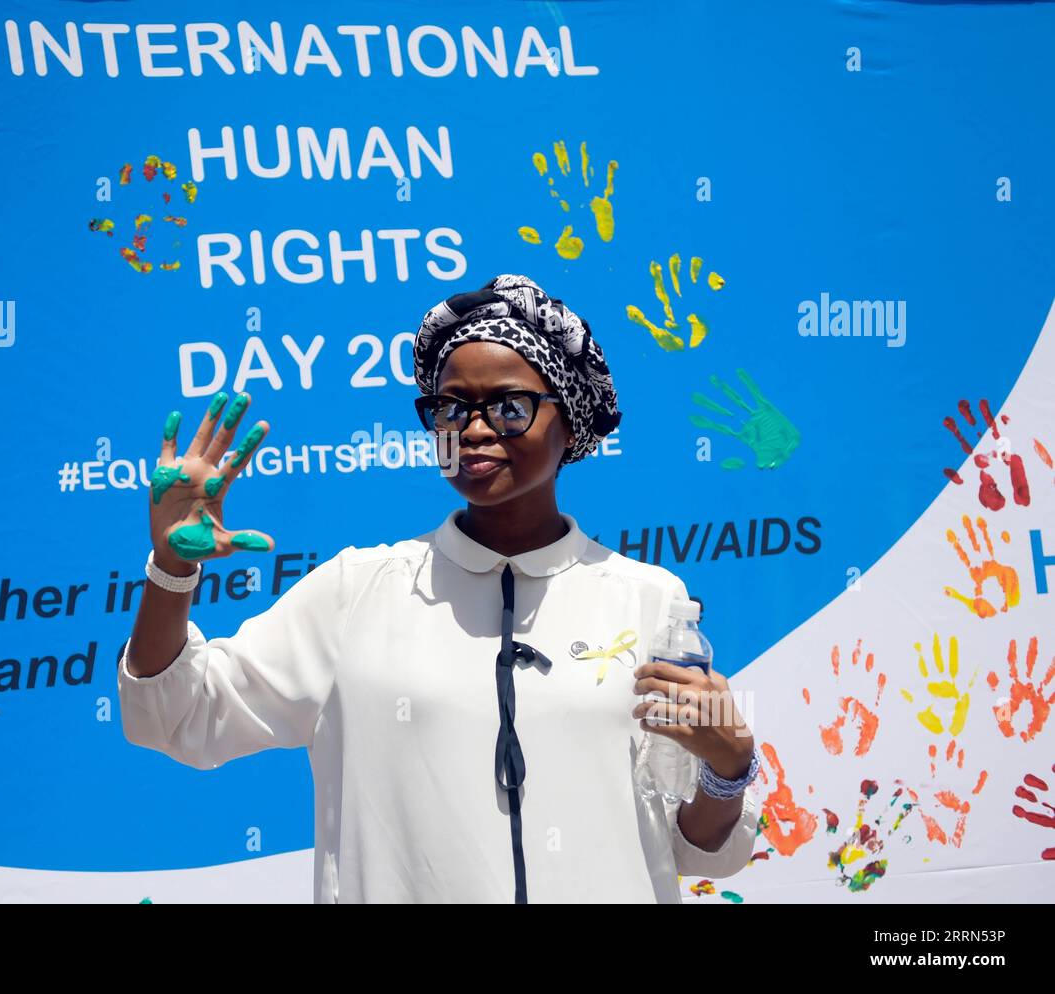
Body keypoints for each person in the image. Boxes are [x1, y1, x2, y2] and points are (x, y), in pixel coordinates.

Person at [117, 273, 760, 903]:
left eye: (511, 406)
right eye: (451, 407)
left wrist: (727, 770)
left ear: (569, 424)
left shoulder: (647, 598)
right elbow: (179, 715)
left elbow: (693, 849)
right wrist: (171, 570)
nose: (474, 430)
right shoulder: (357, 592)